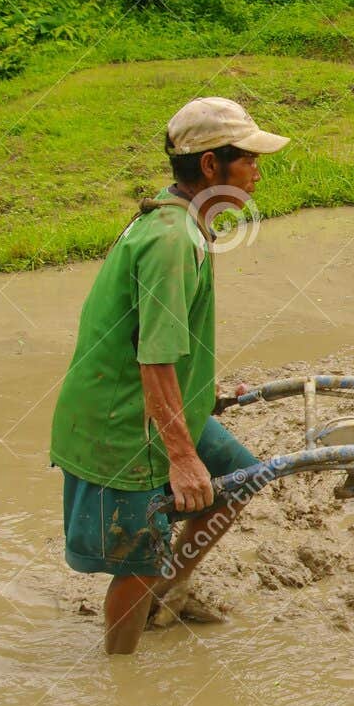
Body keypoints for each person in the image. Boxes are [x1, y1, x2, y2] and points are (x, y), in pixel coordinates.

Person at [49, 98, 288, 654]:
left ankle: (169, 591)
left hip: (155, 403)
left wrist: (203, 391)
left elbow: (161, 341)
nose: (257, 170)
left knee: (242, 475)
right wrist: (182, 457)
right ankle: (121, 671)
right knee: (137, 557)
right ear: (210, 166)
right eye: (249, 158)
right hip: (124, 421)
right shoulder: (170, 240)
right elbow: (152, 360)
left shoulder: (178, 221)